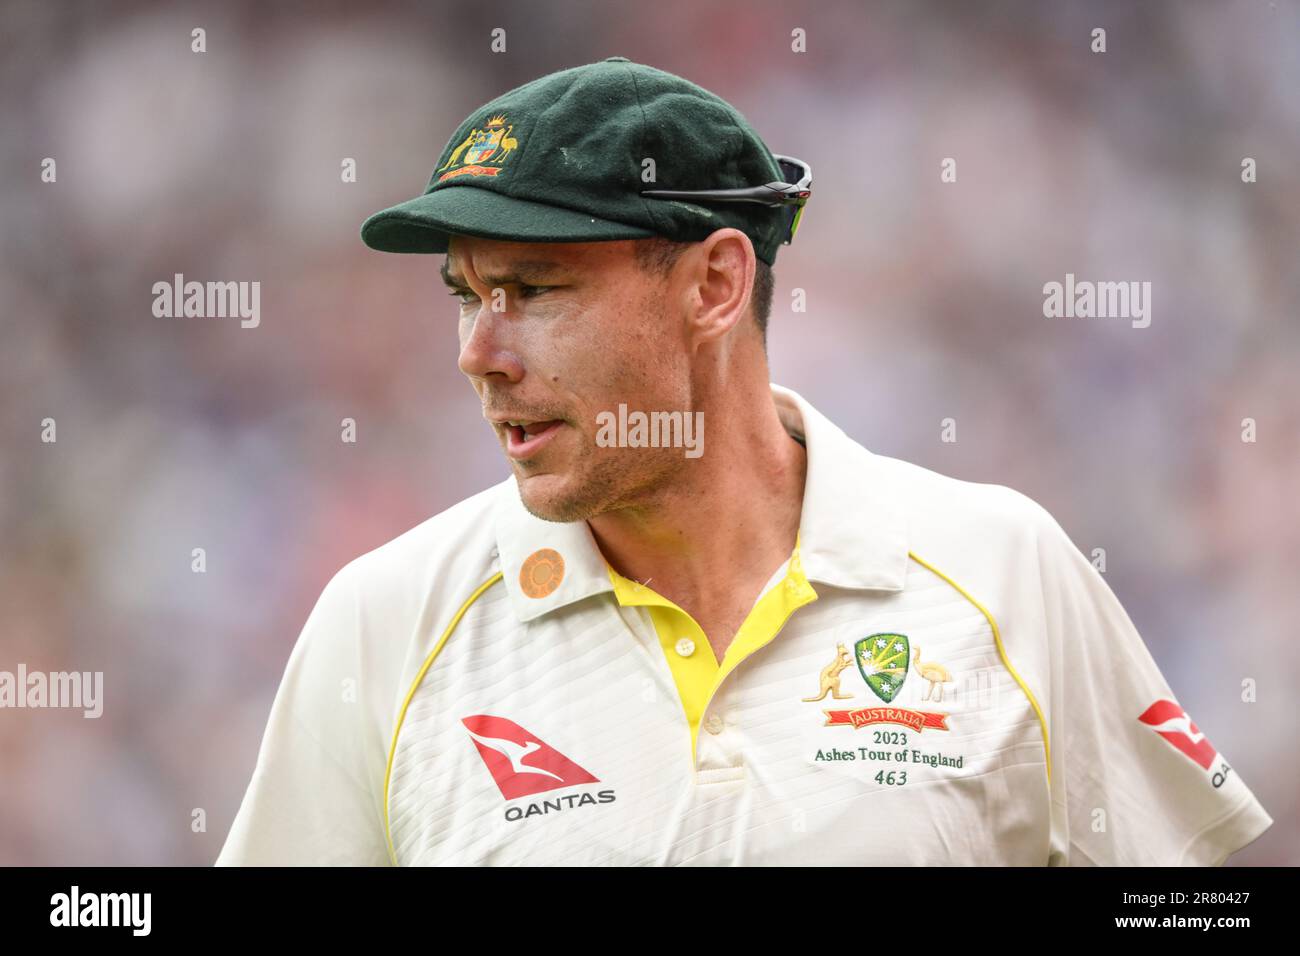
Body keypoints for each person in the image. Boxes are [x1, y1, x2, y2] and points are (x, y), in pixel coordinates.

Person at [216, 57, 1272, 866]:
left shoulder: (1002, 570)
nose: (476, 355)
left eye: (532, 292)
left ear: (715, 285)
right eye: (464, 293)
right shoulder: (386, 620)